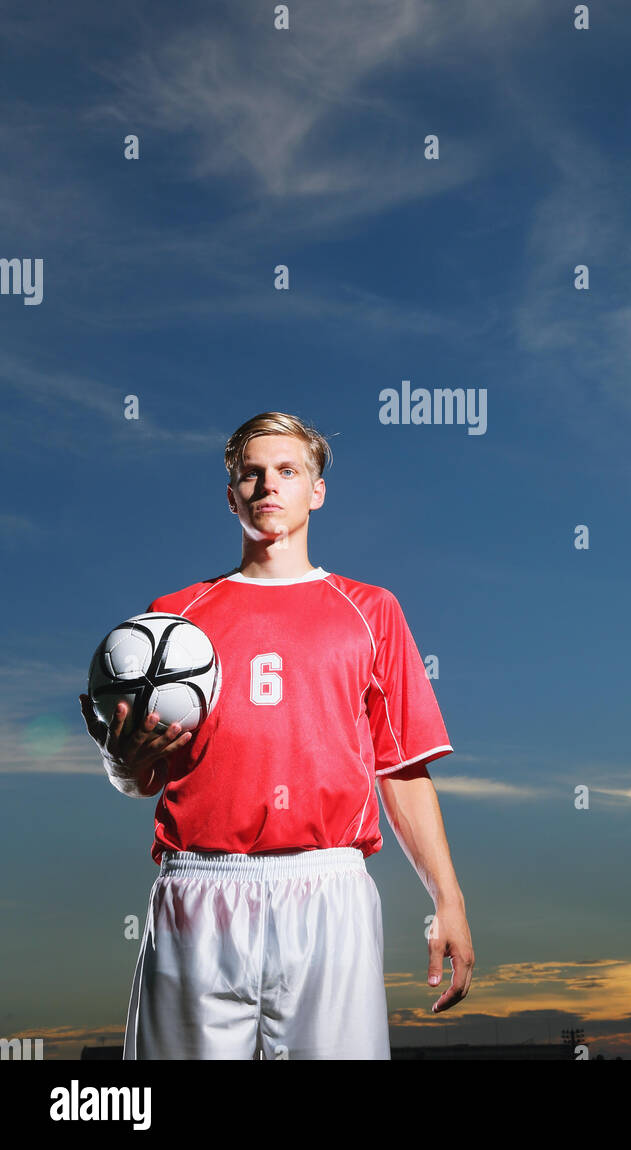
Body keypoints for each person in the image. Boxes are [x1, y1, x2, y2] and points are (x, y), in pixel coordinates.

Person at [80, 410, 474, 1060]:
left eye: (287, 471)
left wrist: (449, 900)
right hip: (198, 889)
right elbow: (138, 774)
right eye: (252, 474)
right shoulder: (171, 622)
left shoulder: (371, 610)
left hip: (328, 888)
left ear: (316, 490)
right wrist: (121, 763)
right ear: (231, 492)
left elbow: (400, 770)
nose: (269, 485)